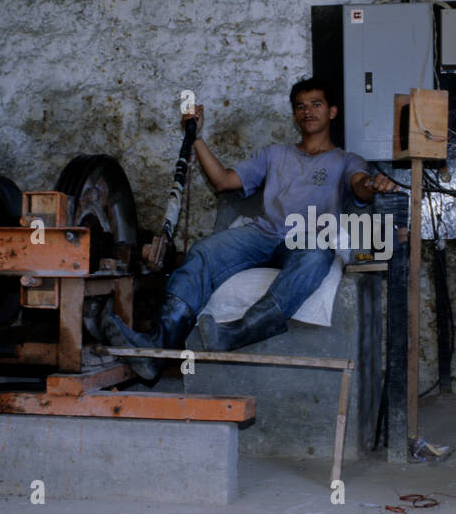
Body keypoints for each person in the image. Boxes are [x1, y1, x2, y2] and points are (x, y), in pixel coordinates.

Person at [103, 77, 399, 379]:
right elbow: (223, 182)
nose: (308, 111)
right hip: (263, 235)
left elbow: (360, 185)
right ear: (294, 115)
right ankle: (157, 350)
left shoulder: (346, 160)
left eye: (316, 104)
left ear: (332, 112)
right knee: (202, 253)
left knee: (317, 255)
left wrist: (373, 184)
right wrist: (197, 137)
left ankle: (238, 332)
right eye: (300, 106)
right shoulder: (274, 154)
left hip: (306, 239)